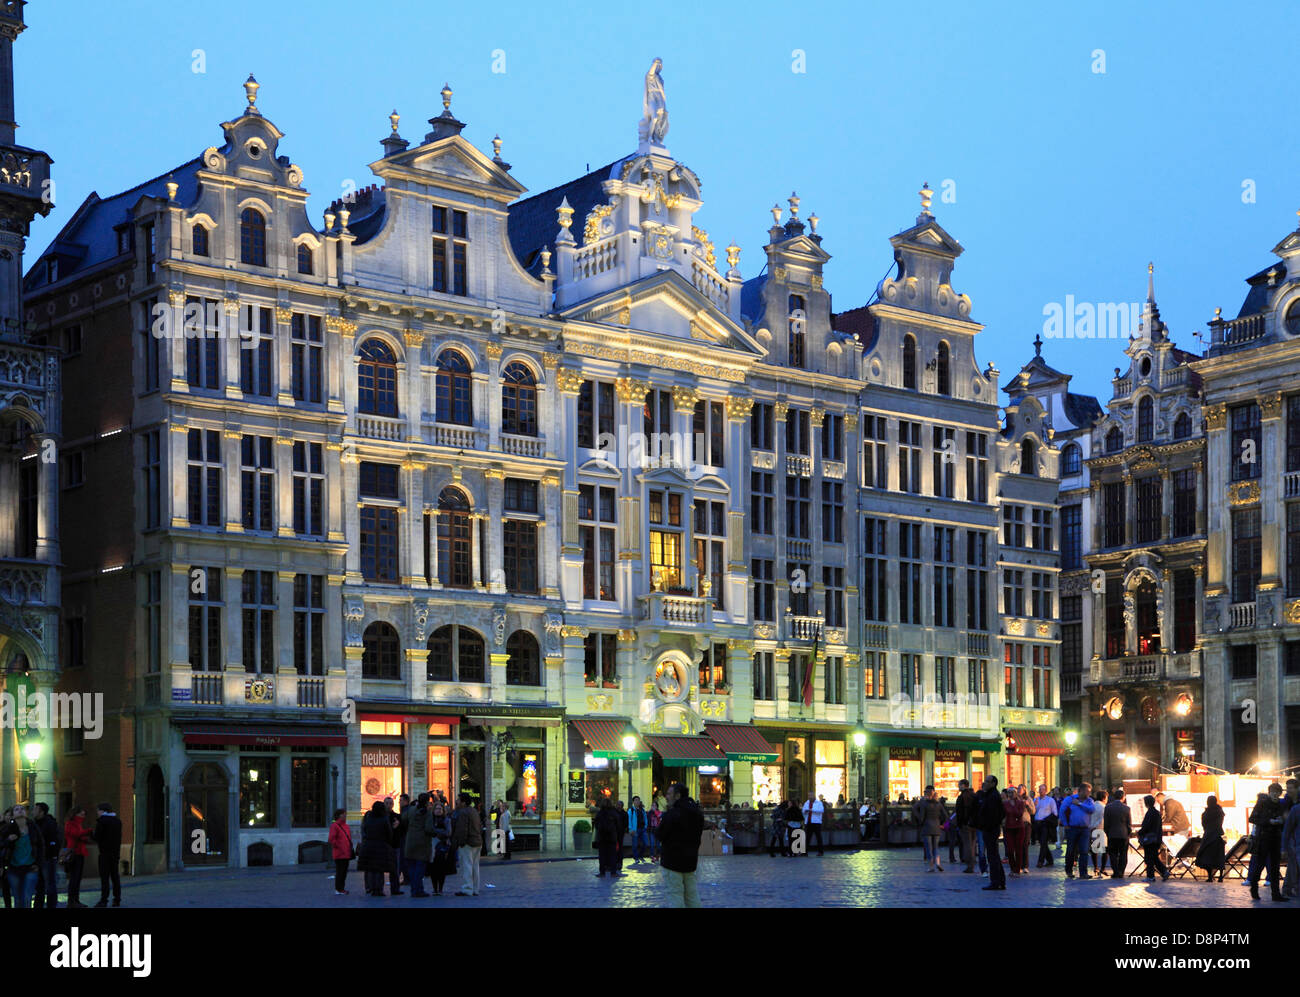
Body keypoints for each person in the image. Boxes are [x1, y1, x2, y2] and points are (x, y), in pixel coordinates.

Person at [657, 782, 704, 908]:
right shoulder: (697, 813)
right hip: (690, 861)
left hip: (672, 862)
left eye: (669, 794)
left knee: (675, 895)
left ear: (677, 796)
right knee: (692, 896)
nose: (666, 797)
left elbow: (660, 834)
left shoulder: (672, 814)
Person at [1245, 784, 1289, 902]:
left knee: (1275, 867)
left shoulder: (1281, 804)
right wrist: (1268, 821)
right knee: (1259, 865)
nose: (1275, 794)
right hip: (1263, 838)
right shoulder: (1262, 803)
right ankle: (1254, 888)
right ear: (1269, 792)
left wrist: (1281, 821)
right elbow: (1252, 819)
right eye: (1273, 792)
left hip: (1276, 838)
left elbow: (1285, 819)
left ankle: (1276, 894)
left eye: (1277, 792)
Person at [0, 804, 44, 909]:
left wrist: (38, 863)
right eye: (16, 809)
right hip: (13, 868)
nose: (20, 811)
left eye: (22, 809)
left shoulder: (32, 827)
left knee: (27, 897)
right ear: (13, 815)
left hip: (30, 867)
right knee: (18, 898)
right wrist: (8, 840)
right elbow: (1, 844)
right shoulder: (7, 829)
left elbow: (41, 845)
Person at [1059, 783, 1096, 880]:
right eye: (1087, 792)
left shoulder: (1089, 801)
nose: (1089, 793)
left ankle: (1083, 873)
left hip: (1085, 829)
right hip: (1072, 828)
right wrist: (1065, 824)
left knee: (1084, 851)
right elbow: (1062, 811)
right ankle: (1069, 870)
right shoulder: (1070, 799)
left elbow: (1092, 810)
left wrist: (1080, 804)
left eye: (1089, 792)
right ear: (1080, 791)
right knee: (1071, 850)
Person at [358, 800, 394, 897]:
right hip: (381, 845)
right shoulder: (384, 819)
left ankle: (372, 888)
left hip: (369, 845)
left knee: (371, 869)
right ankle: (378, 889)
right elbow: (389, 833)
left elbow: (364, 830)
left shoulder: (368, 818)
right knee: (379, 869)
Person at [450, 792, 483, 896]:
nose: (457, 801)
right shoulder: (474, 811)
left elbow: (462, 829)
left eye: (458, 800)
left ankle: (467, 888)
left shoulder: (463, 812)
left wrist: (461, 842)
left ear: (463, 802)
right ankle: (475, 889)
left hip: (468, 842)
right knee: (475, 866)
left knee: (467, 866)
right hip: (477, 841)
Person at [976, 776, 1006, 890]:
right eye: (985, 781)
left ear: (993, 783)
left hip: (990, 829)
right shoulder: (989, 795)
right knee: (995, 856)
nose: (985, 783)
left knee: (992, 856)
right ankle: (1000, 881)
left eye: (988, 782)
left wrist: (987, 826)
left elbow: (994, 814)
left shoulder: (993, 796)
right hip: (990, 829)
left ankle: (995, 882)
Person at [92, 802, 122, 907]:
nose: (97, 813)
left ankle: (104, 900)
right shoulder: (117, 821)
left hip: (104, 853)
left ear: (103, 811)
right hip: (115, 852)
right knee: (115, 877)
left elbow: (97, 837)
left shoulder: (102, 822)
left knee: (104, 878)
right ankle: (117, 899)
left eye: (98, 810)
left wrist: (90, 834)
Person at [62, 806, 93, 907]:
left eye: (84, 815)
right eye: (81, 814)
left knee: (78, 878)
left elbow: (78, 835)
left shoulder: (78, 824)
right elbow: (75, 834)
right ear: (75, 814)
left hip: (80, 852)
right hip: (73, 852)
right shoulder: (70, 823)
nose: (83, 816)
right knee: (74, 878)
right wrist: (88, 831)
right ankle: (72, 901)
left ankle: (76, 900)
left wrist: (85, 838)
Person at [403, 794, 433, 896]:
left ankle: (413, 889)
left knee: (412, 868)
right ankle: (418, 890)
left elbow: (403, 819)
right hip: (422, 843)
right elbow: (429, 829)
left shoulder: (411, 810)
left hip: (410, 841)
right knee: (420, 868)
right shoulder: (427, 813)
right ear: (426, 802)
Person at [1194, 795, 1227, 884]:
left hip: (1208, 836)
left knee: (1207, 856)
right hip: (1217, 835)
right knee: (1219, 856)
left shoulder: (1206, 813)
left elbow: (1204, 824)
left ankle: (1210, 876)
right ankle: (1220, 876)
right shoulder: (1220, 812)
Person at [1138, 794, 1170, 881]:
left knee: (1149, 858)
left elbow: (1146, 826)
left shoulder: (1149, 813)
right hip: (1156, 838)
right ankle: (1163, 871)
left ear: (1146, 803)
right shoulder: (1156, 813)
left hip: (1150, 839)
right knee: (1153, 857)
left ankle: (1151, 876)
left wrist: (1140, 832)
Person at [917, 786, 948, 872]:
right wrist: (942, 824)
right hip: (936, 827)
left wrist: (920, 821)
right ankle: (938, 863)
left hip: (927, 827)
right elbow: (945, 815)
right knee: (936, 847)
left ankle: (931, 866)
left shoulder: (924, 804)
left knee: (928, 847)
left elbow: (921, 816)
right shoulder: (938, 804)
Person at [1104, 788, 1133, 879]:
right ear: (1123, 797)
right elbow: (1129, 823)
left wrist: (1108, 833)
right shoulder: (1127, 808)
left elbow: (1106, 823)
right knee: (1123, 854)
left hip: (1112, 834)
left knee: (1113, 853)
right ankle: (1121, 871)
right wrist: (1128, 833)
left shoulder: (1108, 807)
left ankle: (1116, 871)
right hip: (1123, 834)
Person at [428, 800, 454, 896]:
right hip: (432, 846)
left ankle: (440, 888)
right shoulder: (431, 820)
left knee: (441, 869)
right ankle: (434, 888)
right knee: (433, 868)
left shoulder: (447, 820)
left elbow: (448, 832)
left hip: (442, 846)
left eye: (440, 809)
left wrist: (437, 833)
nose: (438, 811)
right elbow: (429, 830)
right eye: (436, 809)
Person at [327, 808, 354, 895]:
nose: (345, 815)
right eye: (343, 814)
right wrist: (340, 847)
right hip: (339, 853)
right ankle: (339, 889)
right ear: (339, 815)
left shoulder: (346, 826)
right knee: (340, 872)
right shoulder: (335, 826)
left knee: (344, 872)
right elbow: (331, 839)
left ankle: (341, 888)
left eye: (345, 813)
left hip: (346, 853)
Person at [1002, 788, 1028, 876]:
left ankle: (1017, 870)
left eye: (1012, 792)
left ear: (1016, 794)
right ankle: (1012, 868)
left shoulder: (1021, 803)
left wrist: (1012, 807)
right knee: (1009, 849)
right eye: (1009, 793)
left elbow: (1019, 814)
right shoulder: (1005, 803)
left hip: (1019, 827)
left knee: (1018, 849)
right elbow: (1003, 814)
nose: (1010, 794)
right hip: (1008, 827)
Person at [593, 797, 621, 877]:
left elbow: (596, 825)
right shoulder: (614, 813)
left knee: (602, 855)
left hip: (602, 837)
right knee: (613, 855)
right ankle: (613, 872)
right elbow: (618, 825)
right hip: (612, 837)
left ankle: (602, 872)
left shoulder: (600, 813)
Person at [1032, 784, 1058, 867]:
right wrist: (1034, 805)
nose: (1040, 791)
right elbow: (1033, 812)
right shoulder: (1036, 800)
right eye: (1039, 789)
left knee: (1043, 842)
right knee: (1042, 843)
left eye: (1042, 789)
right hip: (1037, 823)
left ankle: (1040, 861)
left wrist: (1048, 820)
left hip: (1045, 824)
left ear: (1046, 791)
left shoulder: (1050, 800)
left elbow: (1055, 813)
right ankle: (1050, 860)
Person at [1282, 792, 1300, 898]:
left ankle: (1288, 889)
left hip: (1295, 843)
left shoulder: (1295, 809)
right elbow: (1287, 830)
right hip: (1295, 844)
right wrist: (1284, 847)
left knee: (1293, 869)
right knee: (1293, 869)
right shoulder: (1296, 809)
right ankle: (1290, 889)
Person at [1088, 789, 1109, 876]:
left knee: (1095, 850)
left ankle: (1096, 868)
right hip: (1101, 829)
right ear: (1104, 798)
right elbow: (1104, 819)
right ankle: (1102, 868)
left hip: (1092, 829)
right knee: (1105, 851)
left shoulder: (1092, 805)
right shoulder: (1104, 807)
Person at [802, 791, 825, 856]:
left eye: (811, 795)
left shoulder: (819, 803)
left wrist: (812, 810)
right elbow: (803, 810)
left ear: (814, 796)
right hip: (809, 822)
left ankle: (820, 851)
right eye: (809, 795)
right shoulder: (806, 802)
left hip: (816, 822)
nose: (810, 797)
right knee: (807, 837)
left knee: (818, 837)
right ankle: (805, 852)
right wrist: (805, 811)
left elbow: (821, 810)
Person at [628, 796, 648, 862]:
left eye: (638, 800)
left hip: (643, 829)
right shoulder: (631, 810)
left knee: (645, 843)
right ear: (633, 802)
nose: (637, 801)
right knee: (635, 845)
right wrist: (630, 829)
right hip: (635, 830)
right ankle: (636, 858)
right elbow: (629, 820)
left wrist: (645, 826)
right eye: (636, 800)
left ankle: (641, 856)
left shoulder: (642, 810)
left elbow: (645, 818)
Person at [615, 799, 630, 872]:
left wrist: (623, 829)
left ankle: (619, 863)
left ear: (622, 806)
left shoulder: (624, 814)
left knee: (620, 848)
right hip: (614, 833)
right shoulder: (614, 813)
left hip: (620, 833)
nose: (618, 806)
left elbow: (626, 824)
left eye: (619, 805)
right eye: (617, 804)